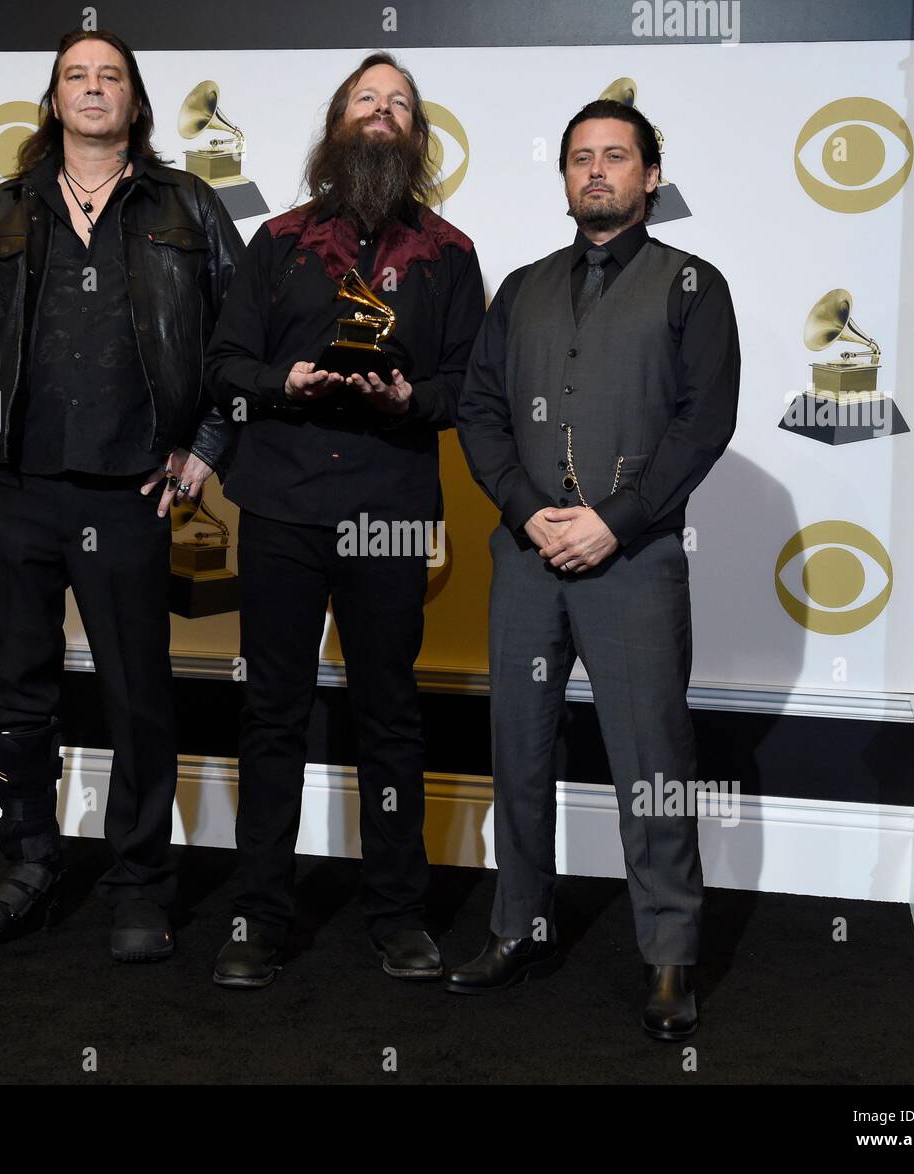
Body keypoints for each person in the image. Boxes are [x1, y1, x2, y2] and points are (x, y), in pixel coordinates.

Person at [0, 28, 243, 961]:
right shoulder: (7, 209)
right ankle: (27, 862)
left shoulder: (187, 205)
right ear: (52, 99)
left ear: (135, 101)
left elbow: (236, 344)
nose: (93, 89)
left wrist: (204, 448)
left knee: (140, 698)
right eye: (76, 76)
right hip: (23, 491)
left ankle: (140, 882)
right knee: (17, 691)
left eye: (111, 77)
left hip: (129, 498)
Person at [450, 99, 740, 1039]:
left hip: (636, 563)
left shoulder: (695, 286)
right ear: (565, 176)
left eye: (617, 157)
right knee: (519, 754)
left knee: (653, 761)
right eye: (582, 158)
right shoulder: (521, 288)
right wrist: (529, 513)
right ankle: (518, 929)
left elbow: (703, 425)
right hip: (527, 561)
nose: (597, 172)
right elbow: (480, 414)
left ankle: (668, 956)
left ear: (652, 176)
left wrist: (613, 523)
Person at [204, 53, 485, 988]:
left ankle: (399, 913)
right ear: (336, 124)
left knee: (390, 715)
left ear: (417, 135)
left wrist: (409, 397)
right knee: (272, 713)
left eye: (399, 103)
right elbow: (225, 361)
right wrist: (281, 380)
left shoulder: (450, 253)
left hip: (391, 508)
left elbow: (467, 389)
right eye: (367, 98)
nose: (383, 111)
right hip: (281, 504)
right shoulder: (276, 243)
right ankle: (258, 911)